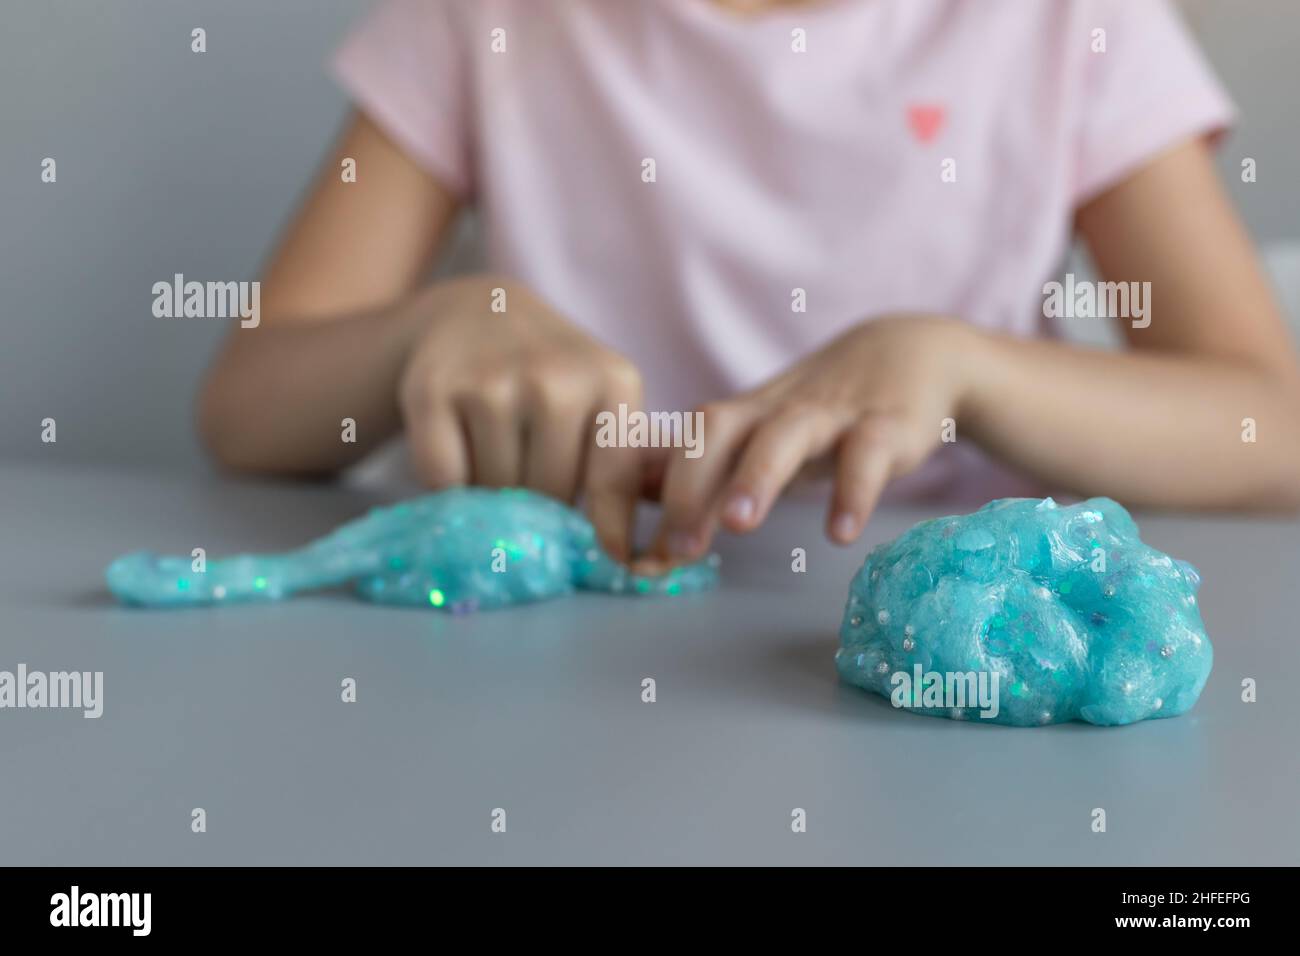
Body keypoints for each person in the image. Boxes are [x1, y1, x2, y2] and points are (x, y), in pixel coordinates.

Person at [197, 0, 1300, 568]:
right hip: (554, 649)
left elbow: (1271, 427)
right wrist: (432, 327)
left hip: (947, 694)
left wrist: (960, 366)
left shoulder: (1068, 24)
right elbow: (245, 405)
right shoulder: (487, 19)